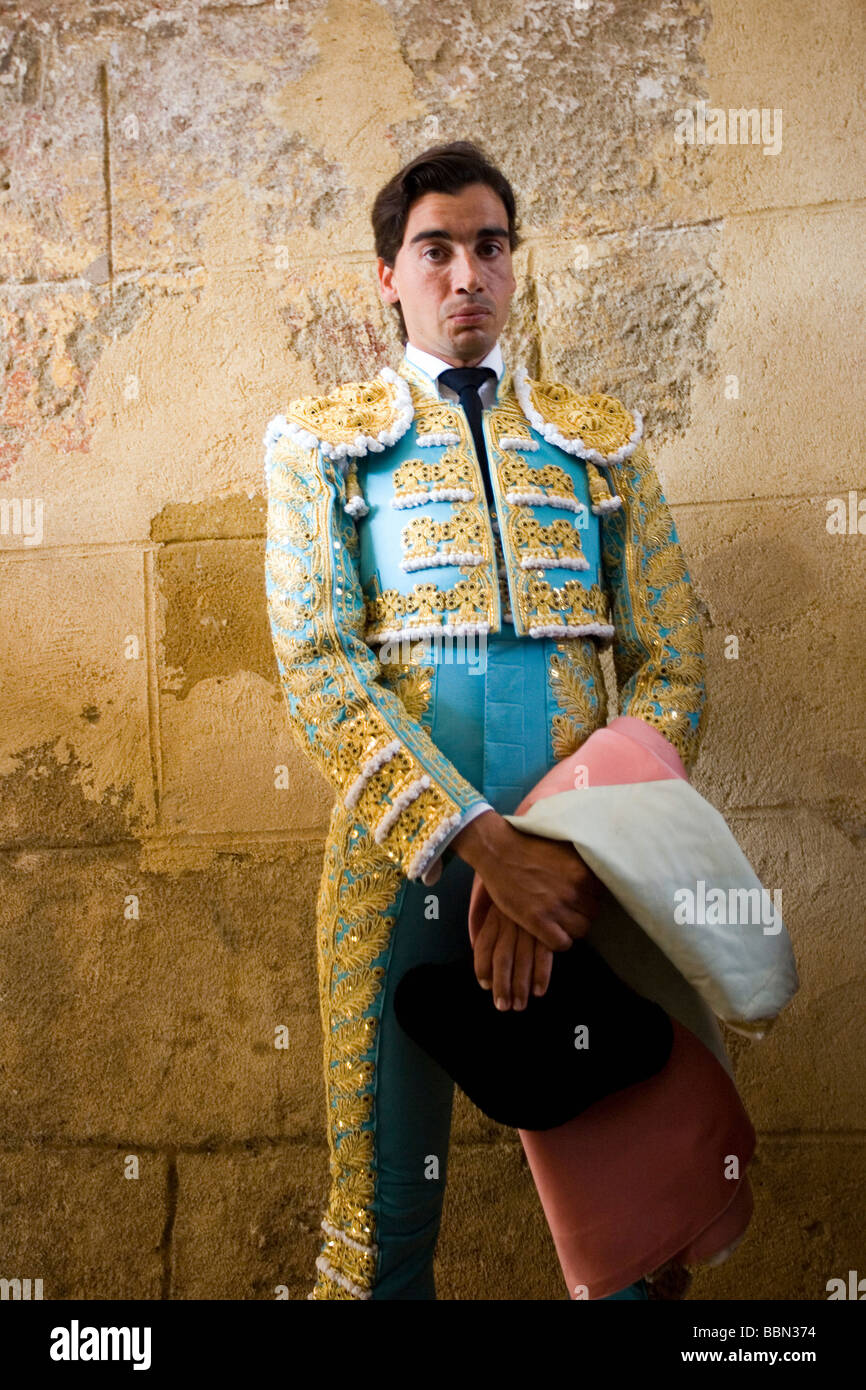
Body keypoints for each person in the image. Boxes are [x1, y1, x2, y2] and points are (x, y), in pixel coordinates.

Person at [263, 140, 709, 1300]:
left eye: (489, 247)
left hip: (582, 880)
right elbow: (317, 666)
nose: (466, 274)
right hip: (399, 875)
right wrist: (481, 845)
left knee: (630, 1227)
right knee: (381, 1223)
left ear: (513, 265)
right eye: (435, 249)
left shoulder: (597, 441)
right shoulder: (318, 445)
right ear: (387, 274)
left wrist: (557, 851)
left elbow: (674, 665)